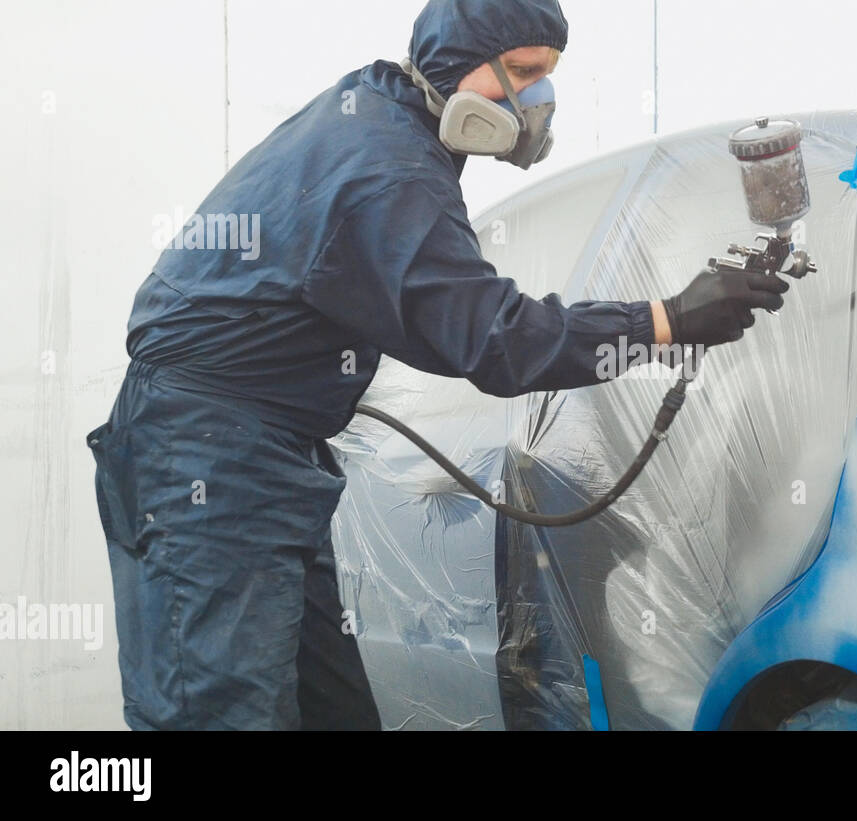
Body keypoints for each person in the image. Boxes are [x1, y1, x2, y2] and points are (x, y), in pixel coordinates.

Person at [86, 0, 786, 730]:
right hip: (209, 455)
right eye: (520, 72)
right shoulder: (387, 168)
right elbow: (495, 340)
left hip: (256, 451)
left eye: (547, 76)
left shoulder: (382, 115)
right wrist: (665, 321)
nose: (537, 98)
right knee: (222, 713)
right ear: (455, 64)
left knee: (332, 712)